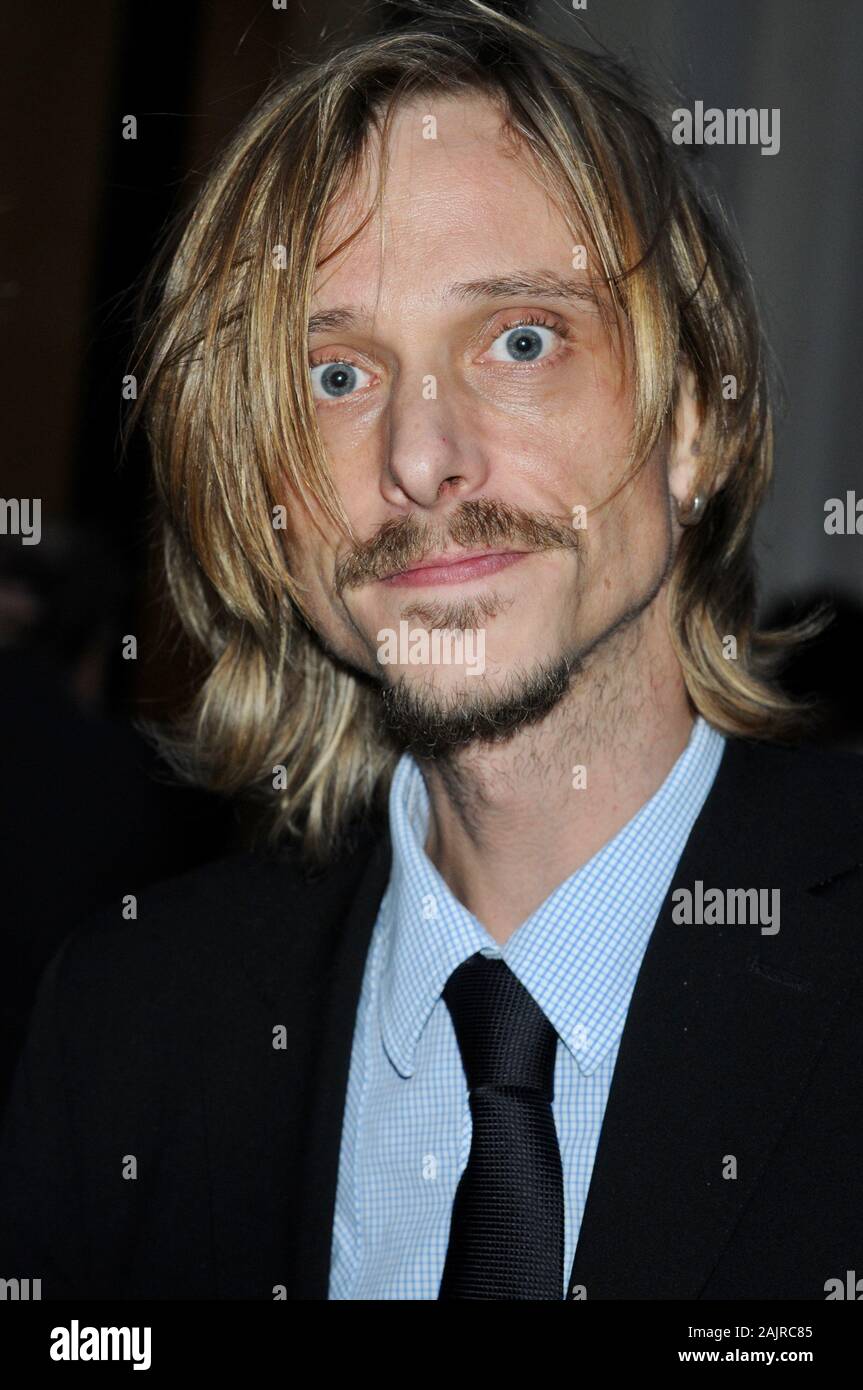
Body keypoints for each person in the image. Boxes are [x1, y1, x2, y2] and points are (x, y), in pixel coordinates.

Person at [1, 0, 861, 1301]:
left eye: (521, 340)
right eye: (336, 375)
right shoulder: (125, 1029)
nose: (420, 456)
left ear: (693, 419)